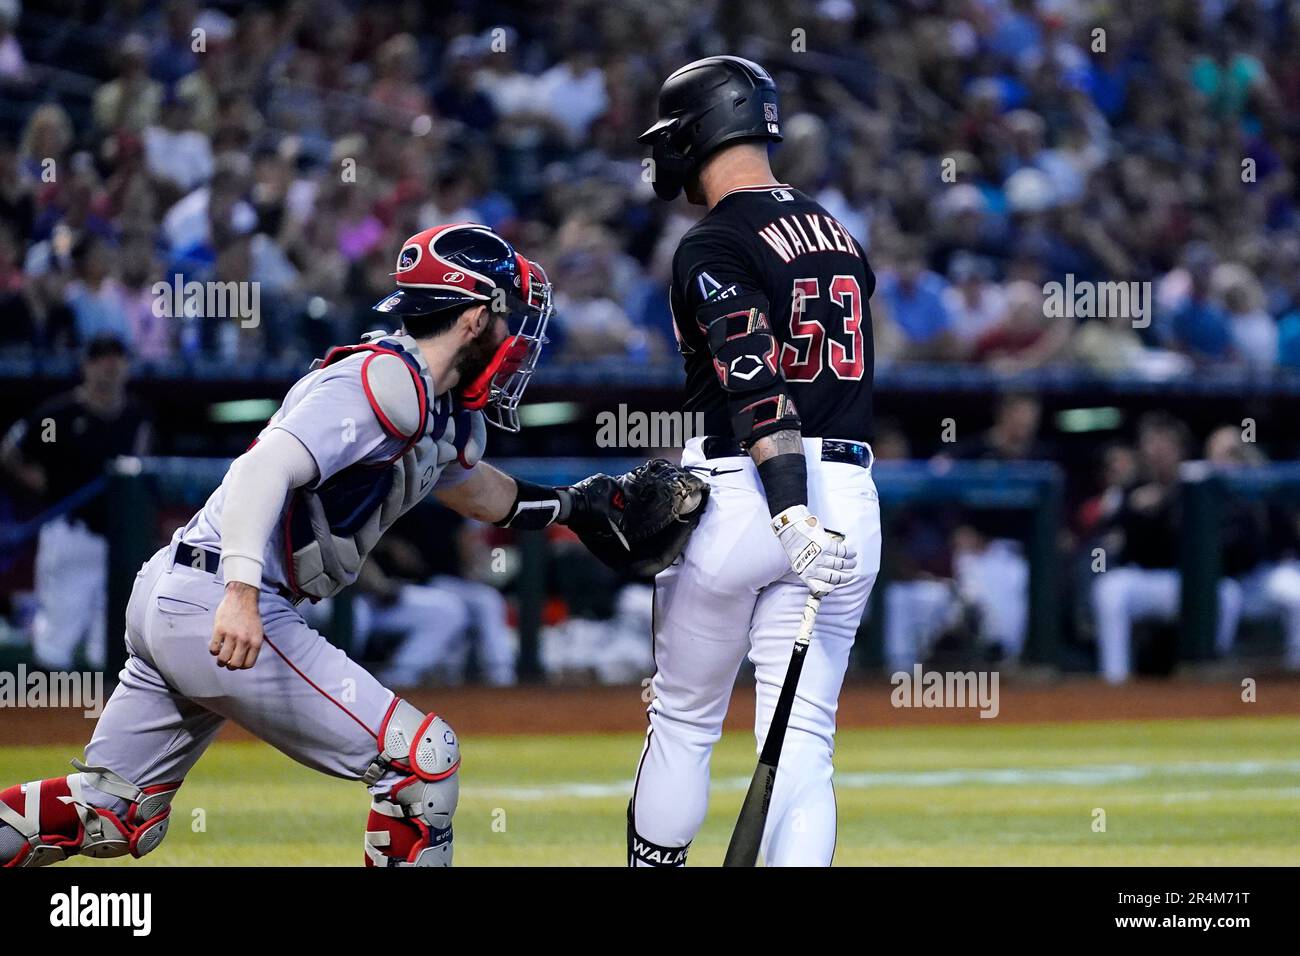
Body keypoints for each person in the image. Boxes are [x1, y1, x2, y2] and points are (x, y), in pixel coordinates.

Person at [0, 223, 637, 868]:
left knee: (112, 811)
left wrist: (575, 507)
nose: (522, 340)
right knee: (422, 763)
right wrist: (241, 593)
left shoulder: (433, 402)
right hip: (221, 595)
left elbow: (473, 488)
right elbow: (261, 467)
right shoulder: (382, 381)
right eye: (510, 318)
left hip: (185, 590)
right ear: (475, 317)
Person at [630, 56, 880, 867]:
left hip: (751, 491)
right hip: (848, 493)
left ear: (698, 130)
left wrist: (785, 508)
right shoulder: (839, 234)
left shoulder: (715, 238)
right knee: (803, 737)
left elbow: (756, 379)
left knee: (685, 719)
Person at [0, 334, 151, 670]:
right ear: (86, 366)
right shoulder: (59, 417)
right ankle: (39, 719)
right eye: (100, 359)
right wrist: (35, 480)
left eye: (116, 358)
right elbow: (11, 449)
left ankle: (93, 719)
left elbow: (141, 468)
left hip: (118, 544)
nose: (109, 367)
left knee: (112, 641)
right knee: (57, 638)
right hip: (70, 534)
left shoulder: (136, 417)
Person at [1090, 413, 1243, 683]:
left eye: (1165, 444)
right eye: (1151, 444)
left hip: (1190, 581)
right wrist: (1134, 515)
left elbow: (1231, 544)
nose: (1158, 452)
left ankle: (1209, 672)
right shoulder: (1132, 488)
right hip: (1145, 579)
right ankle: (1115, 682)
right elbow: (1109, 543)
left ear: (1179, 449)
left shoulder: (1199, 486)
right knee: (1109, 591)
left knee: (1228, 594)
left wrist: (1170, 506)